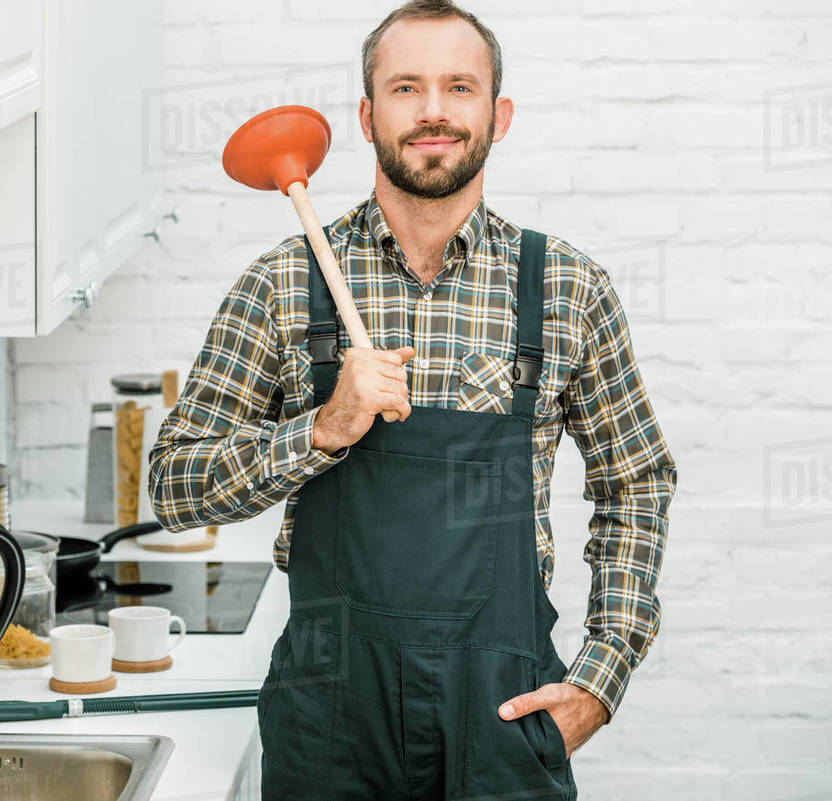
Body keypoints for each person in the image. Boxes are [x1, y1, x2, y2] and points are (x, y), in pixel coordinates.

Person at [148, 1, 677, 798]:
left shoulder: (566, 289)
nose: (434, 111)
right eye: (406, 88)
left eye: (459, 88)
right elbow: (175, 485)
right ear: (367, 116)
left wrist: (600, 680)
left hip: (501, 719)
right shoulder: (284, 285)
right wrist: (320, 430)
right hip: (330, 719)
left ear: (497, 114)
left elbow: (635, 483)